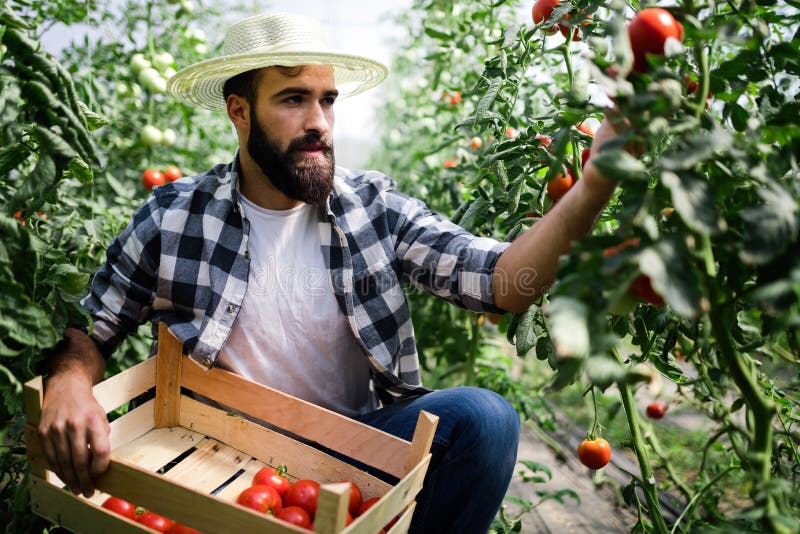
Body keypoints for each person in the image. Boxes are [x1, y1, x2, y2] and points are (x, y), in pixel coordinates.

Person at [38, 12, 624, 534]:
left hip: (351, 446)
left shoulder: (373, 207)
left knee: (485, 420)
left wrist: (594, 184)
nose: (319, 121)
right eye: (293, 99)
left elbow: (501, 283)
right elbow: (94, 325)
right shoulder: (174, 217)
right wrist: (66, 382)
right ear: (239, 112)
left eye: (328, 100)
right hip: (219, 449)